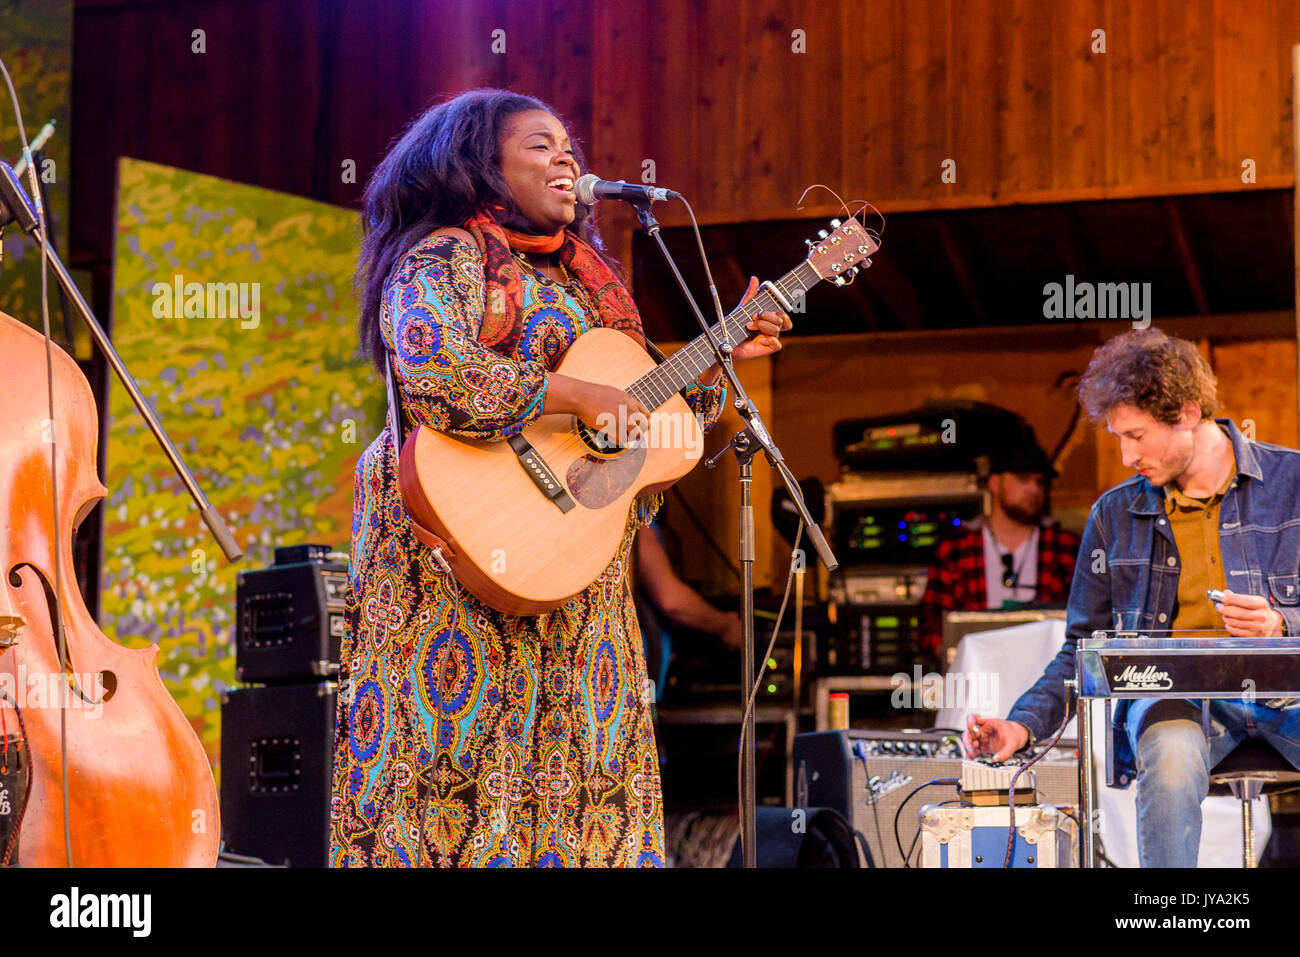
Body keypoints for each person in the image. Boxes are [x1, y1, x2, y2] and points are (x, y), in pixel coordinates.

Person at [330, 89, 790, 867]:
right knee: (452, 782)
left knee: (586, 797)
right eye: (540, 145)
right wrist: (571, 392)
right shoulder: (443, 254)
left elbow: (641, 438)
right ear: (478, 163)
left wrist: (718, 363)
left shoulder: (591, 286)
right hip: (454, 575)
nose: (566, 157)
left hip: (577, 594)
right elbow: (434, 370)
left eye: (568, 146)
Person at [963, 328, 1300, 867]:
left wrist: (1283, 625)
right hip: (1183, 705)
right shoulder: (1114, 516)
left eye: (1137, 436)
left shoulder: (1295, 483)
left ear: (1189, 414)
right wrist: (1022, 725)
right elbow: (1082, 648)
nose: (1125, 456)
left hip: (1289, 702)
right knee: (1169, 751)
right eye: (1120, 437)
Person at [917, 436, 1080, 661]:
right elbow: (931, 624)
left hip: (1045, 678)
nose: (1034, 489)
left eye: (1040, 482)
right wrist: (954, 655)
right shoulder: (955, 550)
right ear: (994, 483)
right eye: (1023, 479)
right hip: (978, 680)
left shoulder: (1065, 546)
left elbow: (1086, 619)